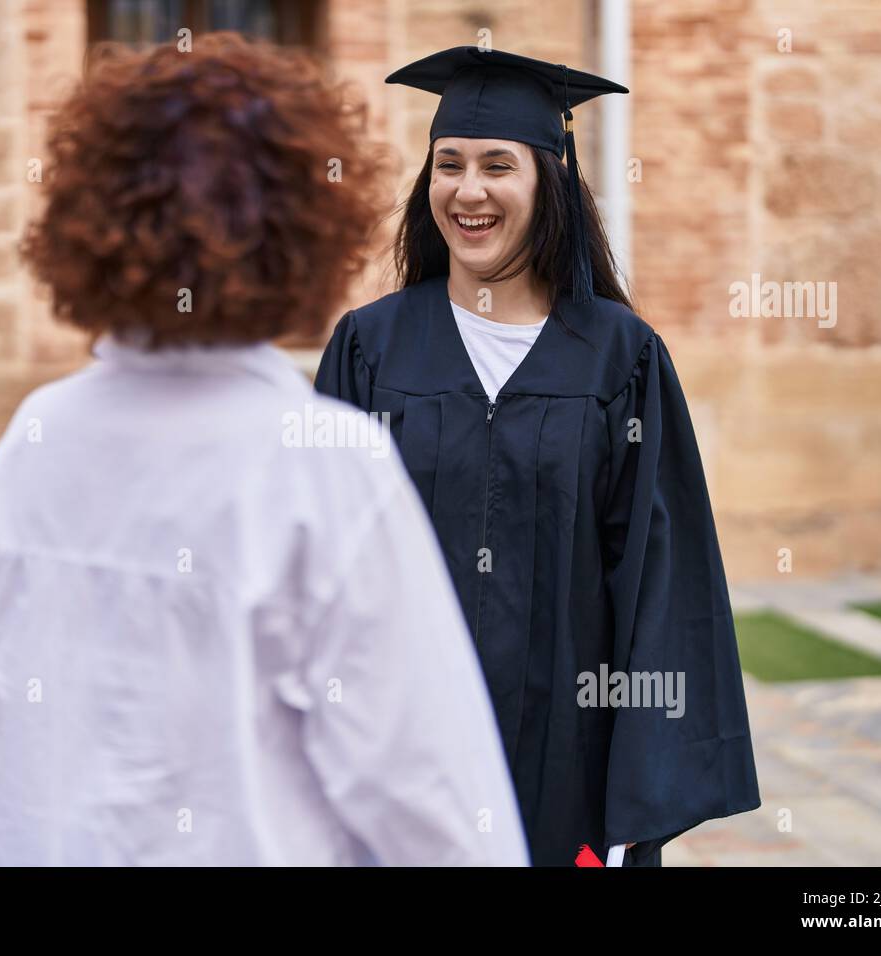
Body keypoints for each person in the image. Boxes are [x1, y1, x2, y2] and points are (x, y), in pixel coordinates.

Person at [0, 34, 528, 866]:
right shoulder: (321, 464)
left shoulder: (29, 447)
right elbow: (431, 801)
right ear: (307, 225)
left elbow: (0, 736)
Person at [316, 46, 761, 866]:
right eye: (447, 165)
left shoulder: (617, 358)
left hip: (570, 767)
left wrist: (637, 800)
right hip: (400, 760)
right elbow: (318, 565)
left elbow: (660, 583)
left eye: (497, 165)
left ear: (547, 181)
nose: (468, 190)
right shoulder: (371, 349)